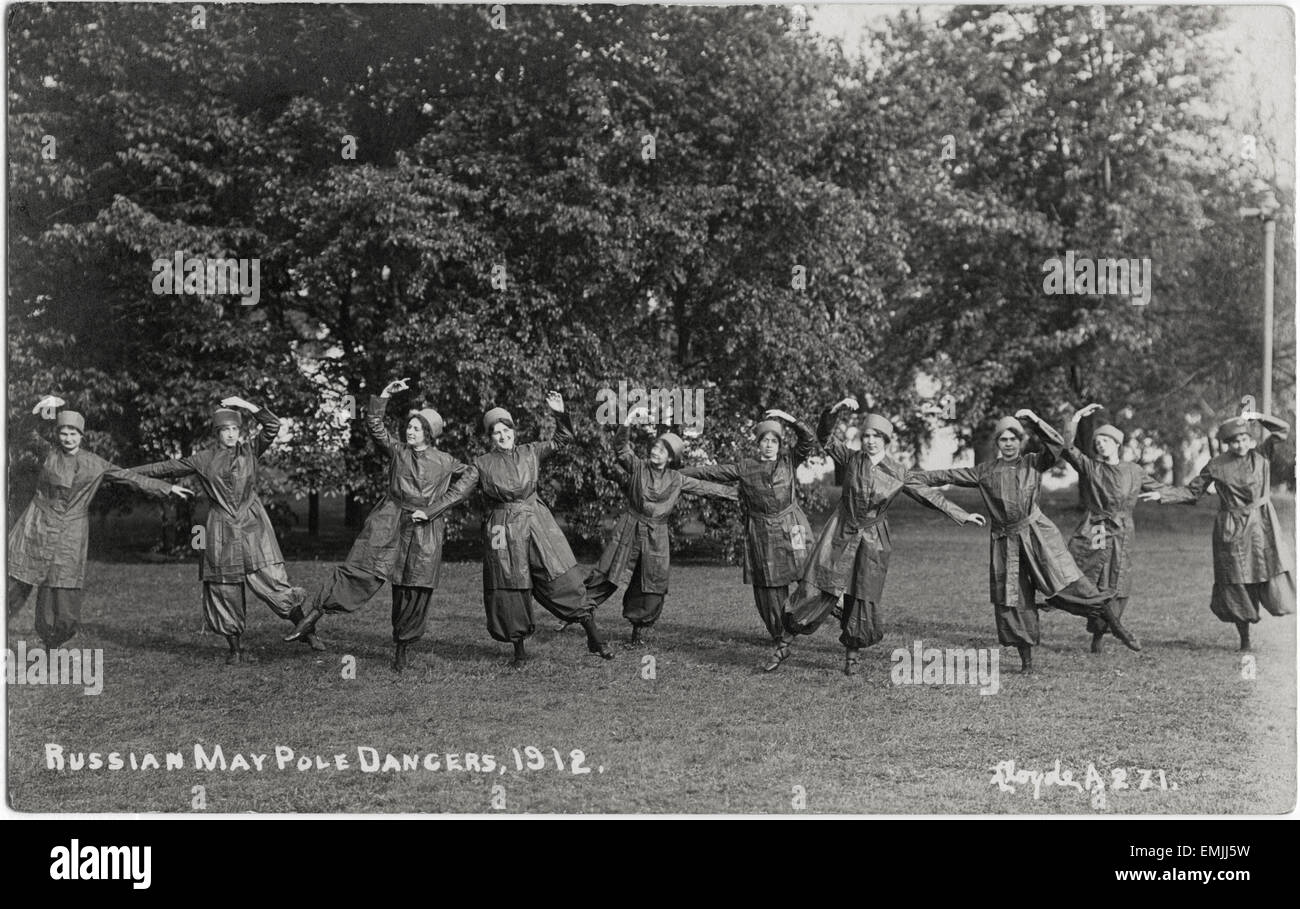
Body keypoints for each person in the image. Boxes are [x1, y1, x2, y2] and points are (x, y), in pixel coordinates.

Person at [766, 397, 987, 675]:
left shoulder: (897, 472)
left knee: (862, 595)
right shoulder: (850, 458)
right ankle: (783, 645)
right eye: (866, 435)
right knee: (817, 586)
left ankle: (852, 656)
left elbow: (928, 495)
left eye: (876, 436)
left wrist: (961, 514)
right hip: (840, 531)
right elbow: (824, 436)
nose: (870, 440)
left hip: (873, 538)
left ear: (886, 440)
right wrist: (834, 411)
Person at [915, 409, 1141, 674]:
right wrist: (912, 478)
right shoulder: (984, 471)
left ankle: (1117, 626)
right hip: (1005, 543)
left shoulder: (1034, 462)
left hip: (1039, 537)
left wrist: (1035, 422)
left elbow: (1059, 445)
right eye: (1003, 439)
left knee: (1070, 586)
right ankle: (1027, 663)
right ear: (997, 443)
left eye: (1013, 439)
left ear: (1020, 441)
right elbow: (945, 476)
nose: (1008, 444)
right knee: (1016, 598)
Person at [286, 378, 467, 671]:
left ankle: (401, 651)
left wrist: (435, 509)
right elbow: (376, 428)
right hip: (389, 521)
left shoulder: (446, 461)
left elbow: (471, 477)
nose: (410, 431)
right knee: (360, 568)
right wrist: (383, 395)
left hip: (423, 532)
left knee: (412, 589)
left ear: (429, 434)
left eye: (417, 428)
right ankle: (313, 616)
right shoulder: (398, 452)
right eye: (409, 426)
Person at [424, 391, 615, 667]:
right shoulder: (481, 464)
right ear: (490, 438)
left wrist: (560, 414)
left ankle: (594, 638)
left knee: (562, 577)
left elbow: (564, 440)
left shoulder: (531, 452)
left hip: (537, 523)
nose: (503, 436)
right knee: (509, 587)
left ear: (514, 430)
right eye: (496, 433)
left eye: (506, 430)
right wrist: (428, 512)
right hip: (502, 531)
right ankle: (519, 652)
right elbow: (456, 493)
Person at [132, 396, 315, 664]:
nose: (231, 434)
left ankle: (307, 630)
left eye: (235, 429)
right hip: (220, 529)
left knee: (274, 580)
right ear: (217, 433)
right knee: (223, 588)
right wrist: (124, 473)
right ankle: (235, 650)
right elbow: (166, 468)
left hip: (254, 526)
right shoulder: (203, 459)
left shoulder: (251, 450)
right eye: (225, 430)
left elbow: (273, 426)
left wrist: (246, 404)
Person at [7, 396, 193, 648]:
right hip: (36, 525)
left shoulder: (95, 464)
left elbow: (129, 477)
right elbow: (24, 431)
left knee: (62, 585)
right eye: (63, 433)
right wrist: (39, 408)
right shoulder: (49, 453)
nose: (68, 438)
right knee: (18, 580)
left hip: (70, 532)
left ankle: (54, 639)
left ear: (81, 435)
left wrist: (167, 488)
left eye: (73, 433)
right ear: (57, 435)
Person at [584, 406, 738, 645]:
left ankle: (639, 633)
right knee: (607, 572)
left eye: (663, 451)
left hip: (657, 537)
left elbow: (708, 488)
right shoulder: (638, 467)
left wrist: (740, 495)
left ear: (670, 458)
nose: (656, 452)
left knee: (651, 585)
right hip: (629, 529)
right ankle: (578, 611)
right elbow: (621, 449)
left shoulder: (677, 479)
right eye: (655, 447)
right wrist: (627, 422)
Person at [1153, 410, 1294, 650]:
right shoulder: (1217, 465)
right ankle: (1245, 638)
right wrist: (1162, 495)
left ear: (1251, 440)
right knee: (1236, 579)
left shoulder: (1261, 455)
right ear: (1227, 443)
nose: (1240, 445)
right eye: (1234, 441)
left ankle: (1283, 614)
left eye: (1244, 439)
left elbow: (1282, 430)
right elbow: (1192, 492)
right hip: (1231, 527)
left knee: (1269, 570)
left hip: (1262, 524)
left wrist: (1259, 417)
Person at [679, 408, 816, 643]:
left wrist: (788, 419)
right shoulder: (745, 467)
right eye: (765, 440)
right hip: (762, 532)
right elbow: (711, 473)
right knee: (769, 586)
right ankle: (779, 633)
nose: (770, 445)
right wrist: (675, 474)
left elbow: (809, 439)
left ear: (780, 444)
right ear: (758, 444)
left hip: (793, 527)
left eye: (774, 441)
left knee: (810, 574)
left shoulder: (789, 461)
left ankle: (824, 613)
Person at [1058, 404, 1169, 653]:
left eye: (1106, 440)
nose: (1100, 445)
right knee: (1092, 580)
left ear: (1117, 444)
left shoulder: (1133, 471)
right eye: (1098, 441)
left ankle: (1103, 631)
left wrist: (1164, 495)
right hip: (1095, 530)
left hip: (1124, 532)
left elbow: (1161, 488)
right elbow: (1066, 448)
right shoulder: (1091, 467)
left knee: (1118, 581)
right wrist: (1074, 419)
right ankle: (1116, 629)